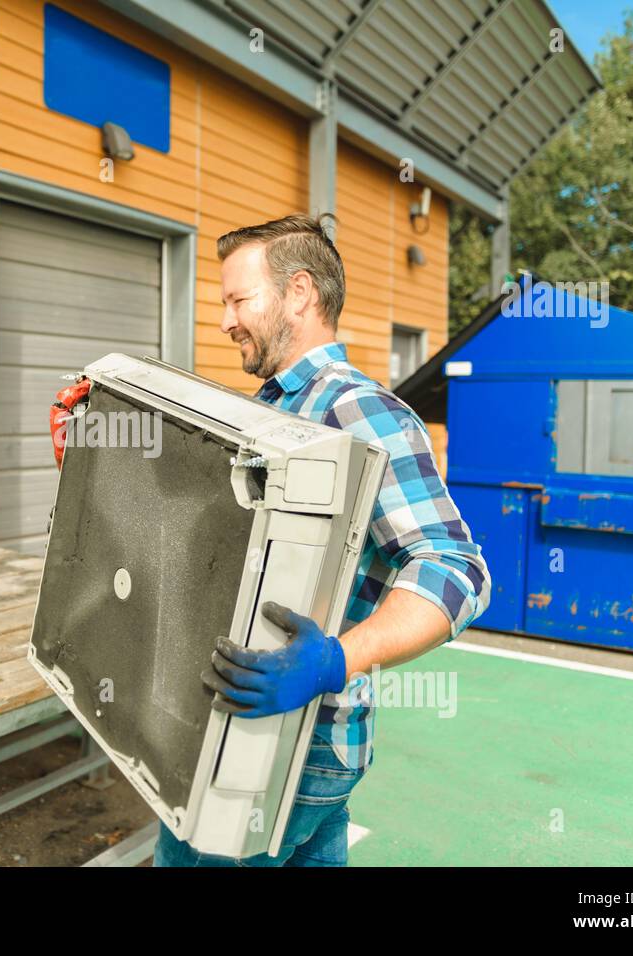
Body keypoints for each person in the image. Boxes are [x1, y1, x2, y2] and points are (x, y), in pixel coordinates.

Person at [52, 213, 490, 867]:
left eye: (238, 300)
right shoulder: (272, 414)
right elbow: (189, 540)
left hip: (275, 752)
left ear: (300, 293)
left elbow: (456, 568)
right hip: (269, 743)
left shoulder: (354, 411)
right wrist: (94, 458)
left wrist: (334, 659)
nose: (226, 320)